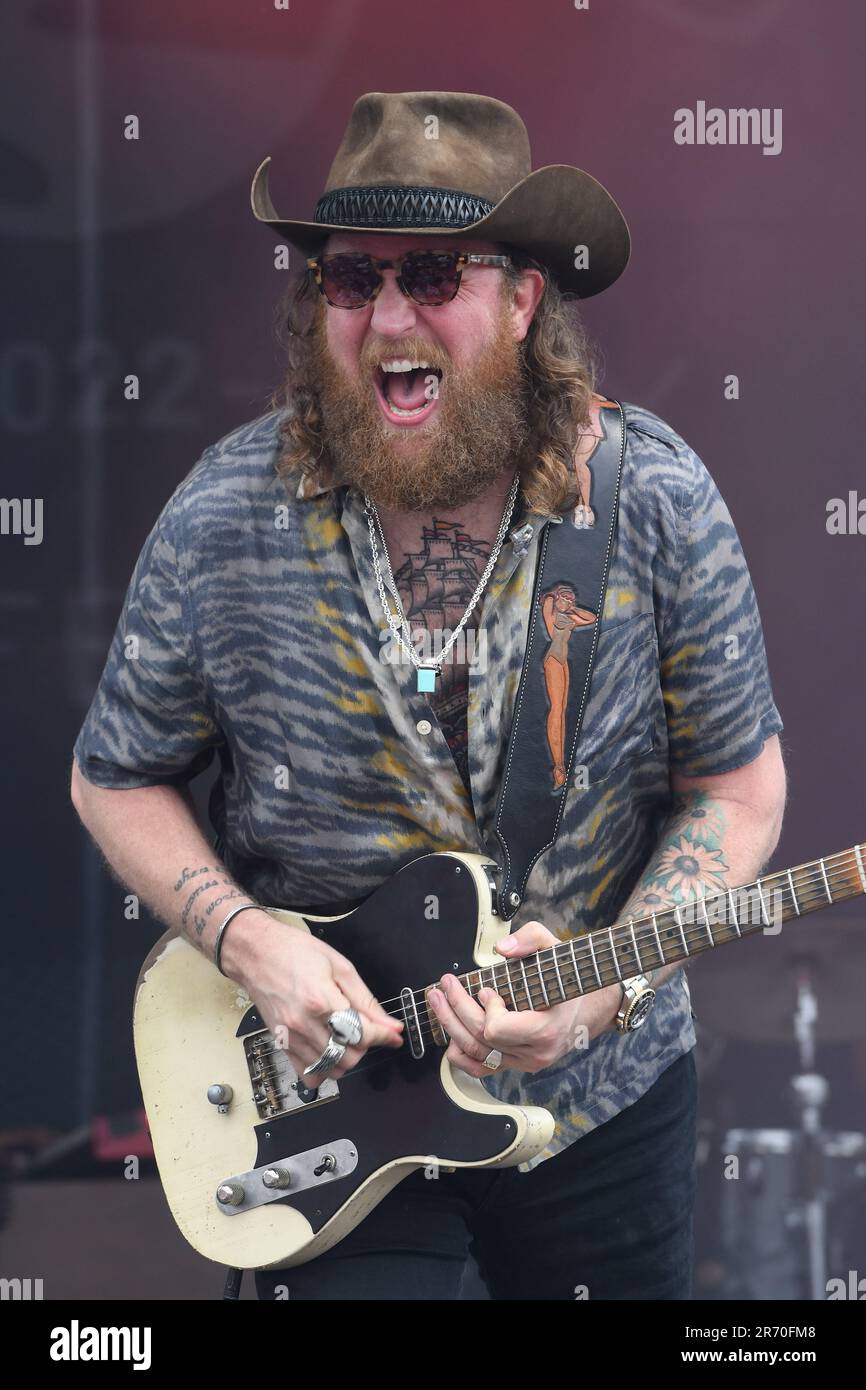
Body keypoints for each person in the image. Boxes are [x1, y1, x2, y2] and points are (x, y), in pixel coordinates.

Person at [70, 91, 787, 1300]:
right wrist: (250, 946)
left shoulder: (651, 501)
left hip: (596, 1111)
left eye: (435, 273)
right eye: (352, 280)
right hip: (328, 1115)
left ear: (521, 299)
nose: (390, 316)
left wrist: (602, 991)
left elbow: (737, 785)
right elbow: (114, 773)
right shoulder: (226, 515)